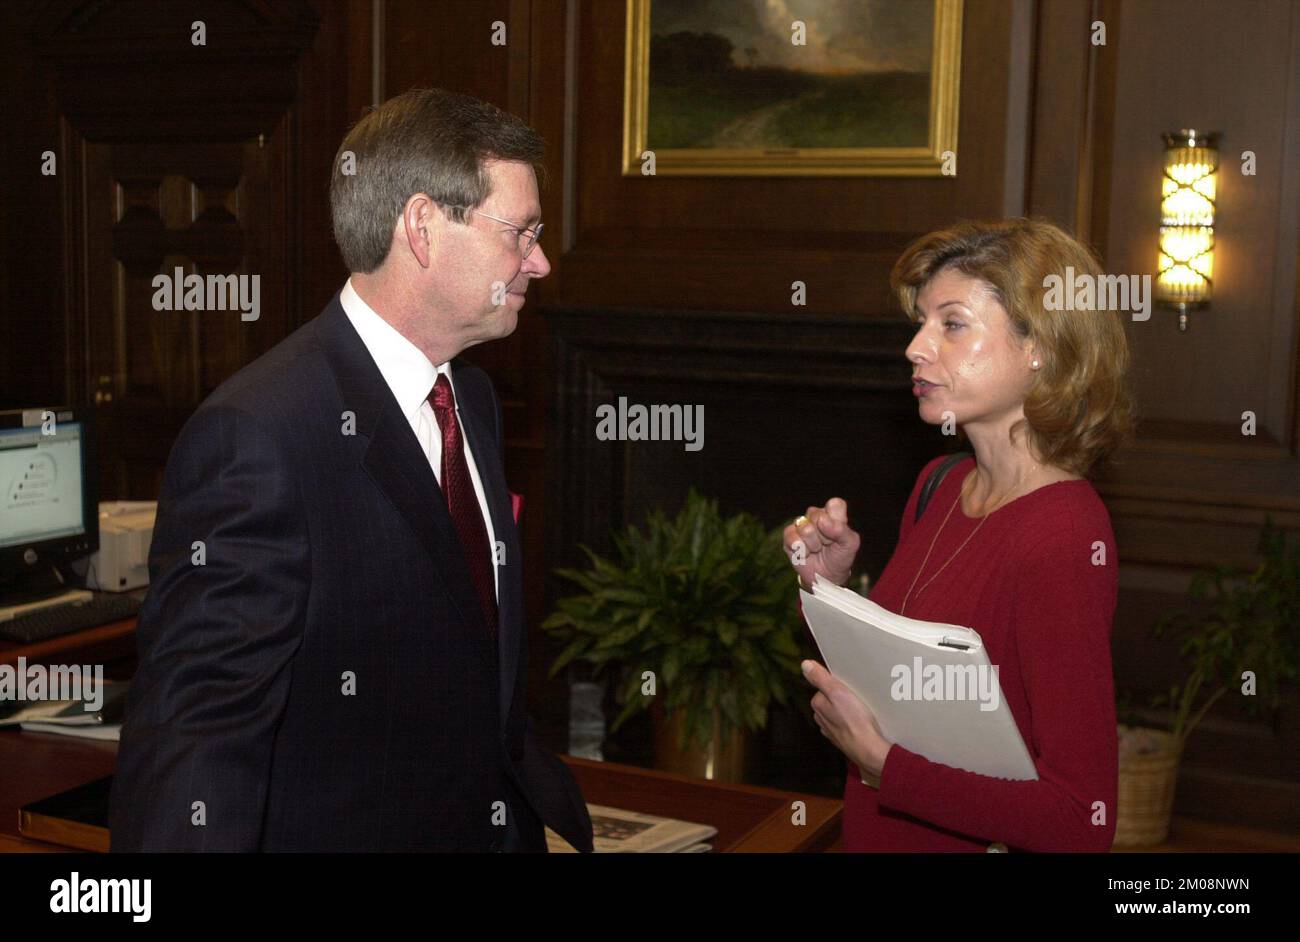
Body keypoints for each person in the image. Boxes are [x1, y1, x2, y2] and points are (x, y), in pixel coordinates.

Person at [109, 88, 594, 852]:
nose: (539, 260)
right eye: (520, 233)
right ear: (423, 227)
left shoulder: (469, 394)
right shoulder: (258, 437)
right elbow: (196, 744)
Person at [784, 218, 1133, 852]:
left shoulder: (1062, 534)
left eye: (952, 323)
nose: (916, 348)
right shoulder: (940, 483)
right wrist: (829, 587)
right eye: (921, 323)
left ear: (1041, 347)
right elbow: (896, 679)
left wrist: (886, 768)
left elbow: (1083, 821)